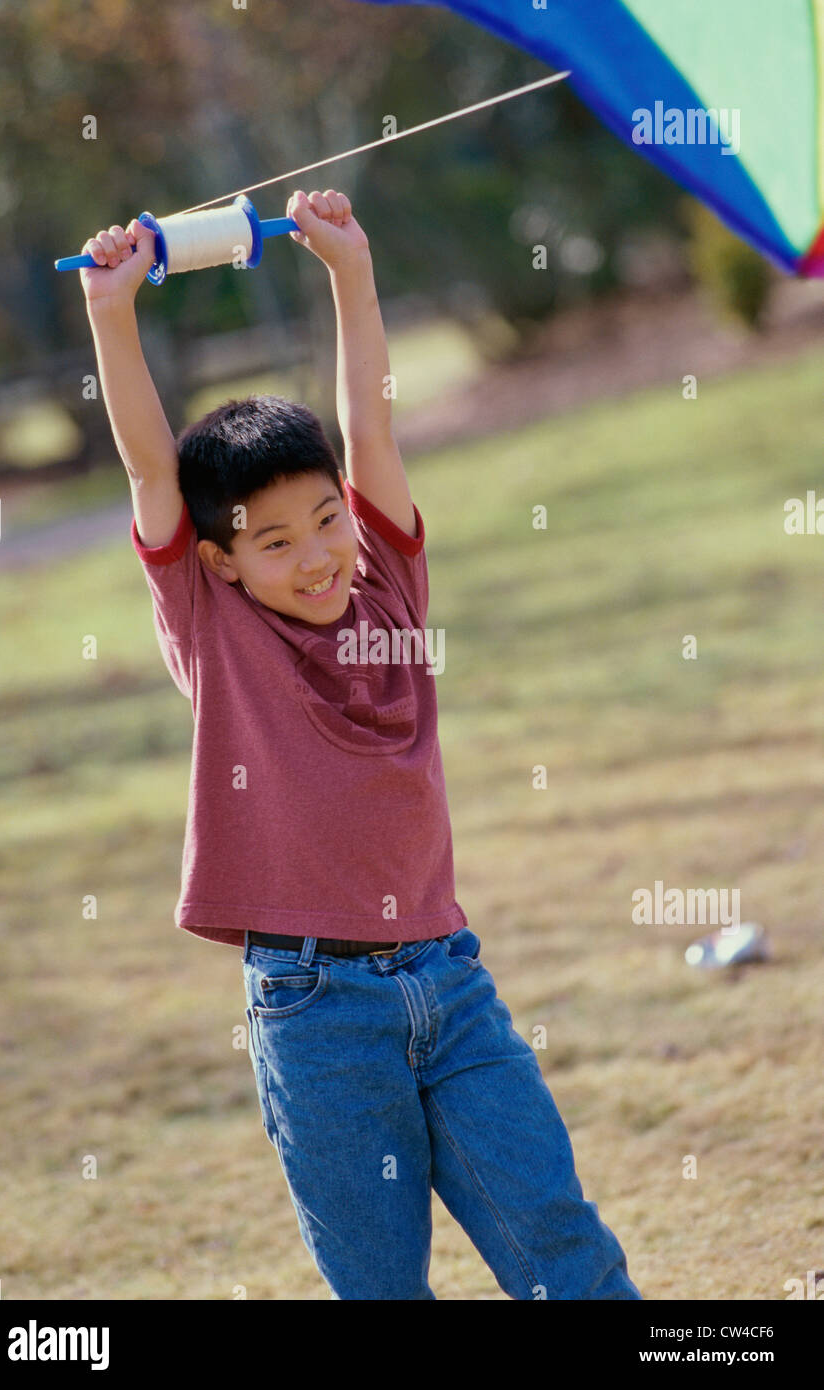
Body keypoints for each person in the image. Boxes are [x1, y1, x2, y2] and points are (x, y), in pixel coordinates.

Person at [78, 187, 642, 1301]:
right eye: (274, 540)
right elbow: (153, 474)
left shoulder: (389, 581)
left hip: (450, 981)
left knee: (562, 1247)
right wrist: (112, 311)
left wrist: (349, 273)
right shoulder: (216, 627)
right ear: (222, 561)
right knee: (381, 1287)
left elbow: (371, 424)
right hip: (314, 1011)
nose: (315, 554)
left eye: (325, 517)